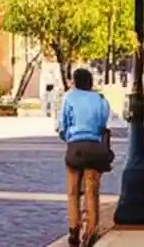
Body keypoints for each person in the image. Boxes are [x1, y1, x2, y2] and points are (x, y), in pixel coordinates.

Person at [59, 68, 113, 247]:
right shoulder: (100, 99)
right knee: (92, 190)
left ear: (75, 81)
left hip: (75, 147)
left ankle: (73, 229)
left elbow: (62, 125)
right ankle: (91, 230)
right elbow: (102, 123)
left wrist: (68, 136)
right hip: (95, 147)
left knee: (73, 191)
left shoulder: (68, 97)